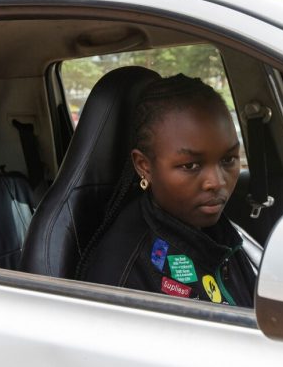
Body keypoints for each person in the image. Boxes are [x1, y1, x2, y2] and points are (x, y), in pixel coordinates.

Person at [77, 73, 256, 307]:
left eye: (228, 160)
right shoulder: (125, 273)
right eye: (190, 165)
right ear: (144, 166)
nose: (216, 182)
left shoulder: (219, 231)